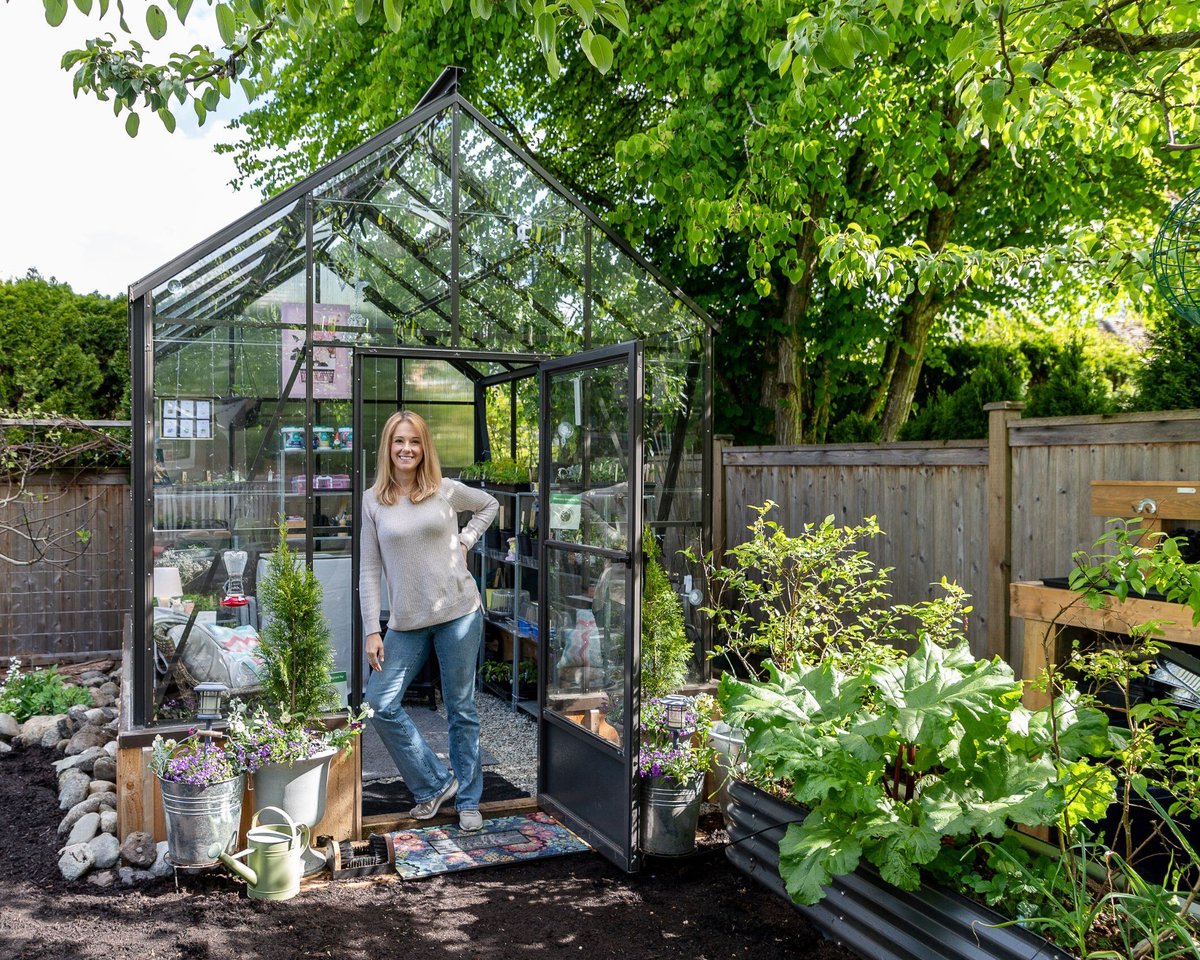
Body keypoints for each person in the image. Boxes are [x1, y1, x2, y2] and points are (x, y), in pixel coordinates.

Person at [359, 410, 498, 831]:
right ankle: (435, 783)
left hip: (458, 612)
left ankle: (469, 800)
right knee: (379, 703)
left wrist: (466, 540)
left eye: (415, 441)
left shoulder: (444, 490)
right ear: (388, 447)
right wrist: (371, 628)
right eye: (399, 441)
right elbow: (369, 570)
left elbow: (489, 505)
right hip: (406, 622)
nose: (407, 449)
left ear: (424, 447)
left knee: (460, 708)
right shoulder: (373, 500)